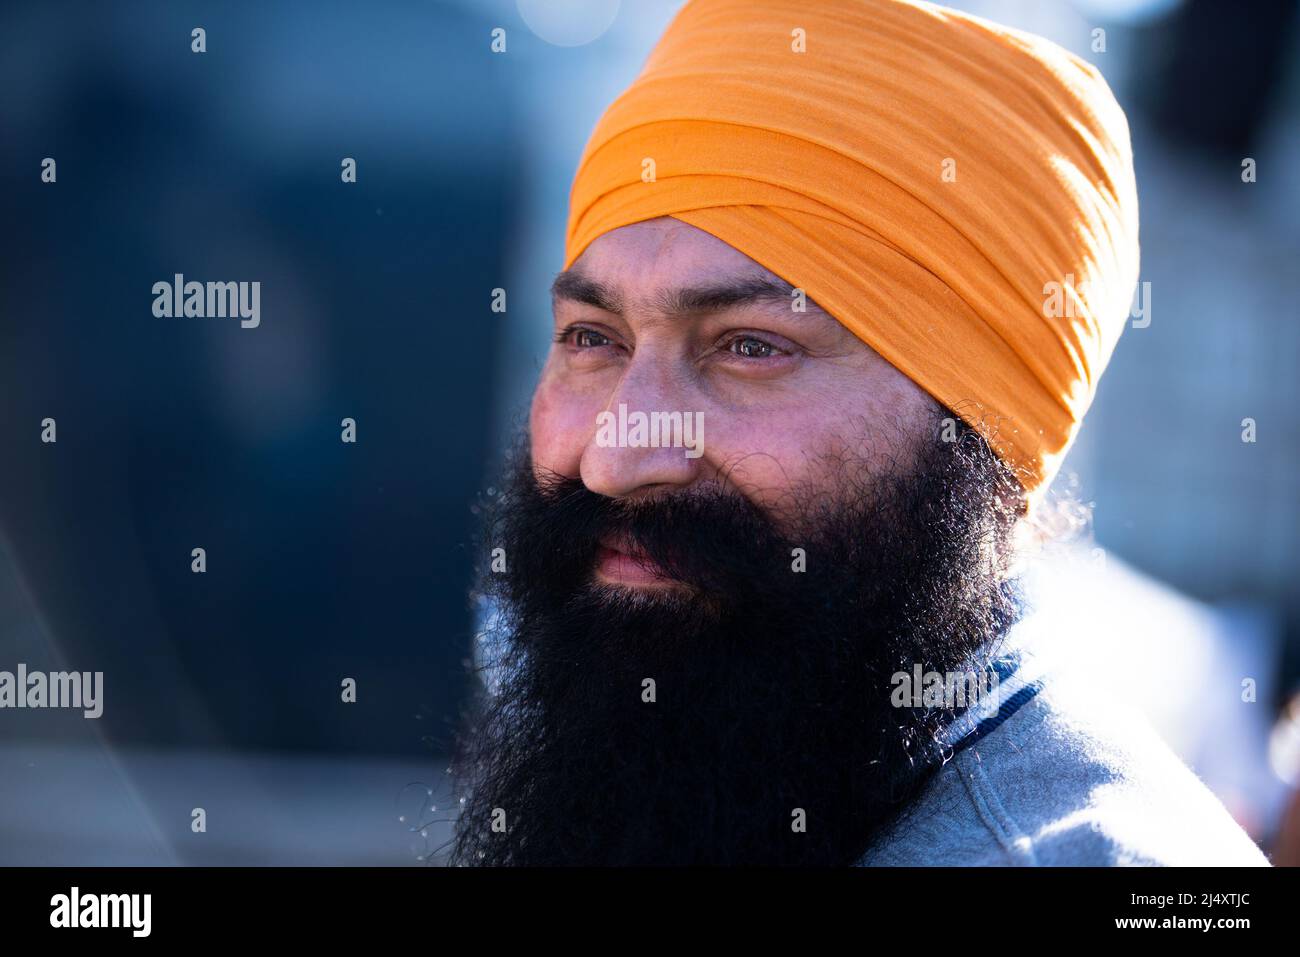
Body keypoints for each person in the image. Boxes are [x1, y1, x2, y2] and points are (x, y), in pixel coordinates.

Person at [449, 0, 1268, 866]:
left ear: (978, 435)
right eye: (593, 339)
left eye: (751, 348)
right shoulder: (706, 788)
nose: (614, 457)